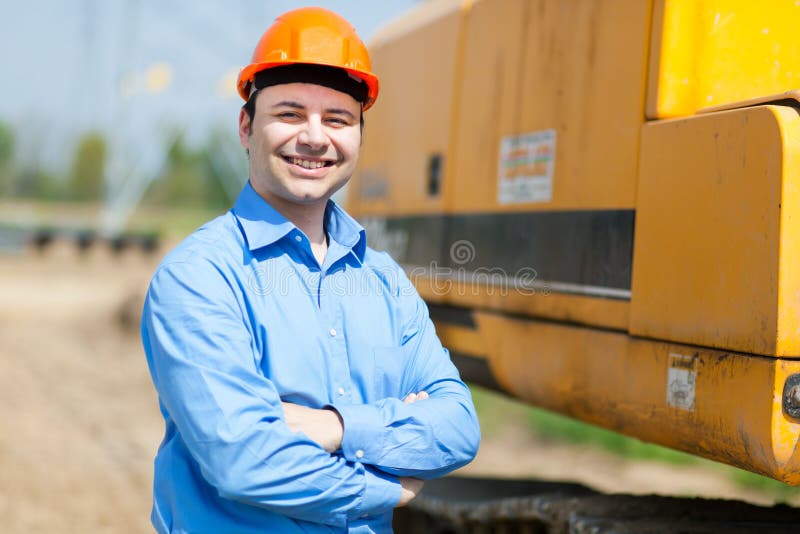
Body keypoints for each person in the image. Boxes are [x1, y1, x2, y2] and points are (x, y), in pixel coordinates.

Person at [141, 7, 481, 533]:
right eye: (290, 113)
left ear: (359, 138)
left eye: (338, 120)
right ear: (246, 126)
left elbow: (458, 428)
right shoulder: (199, 277)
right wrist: (389, 485)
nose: (315, 137)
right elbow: (244, 462)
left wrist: (336, 426)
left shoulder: (384, 279)